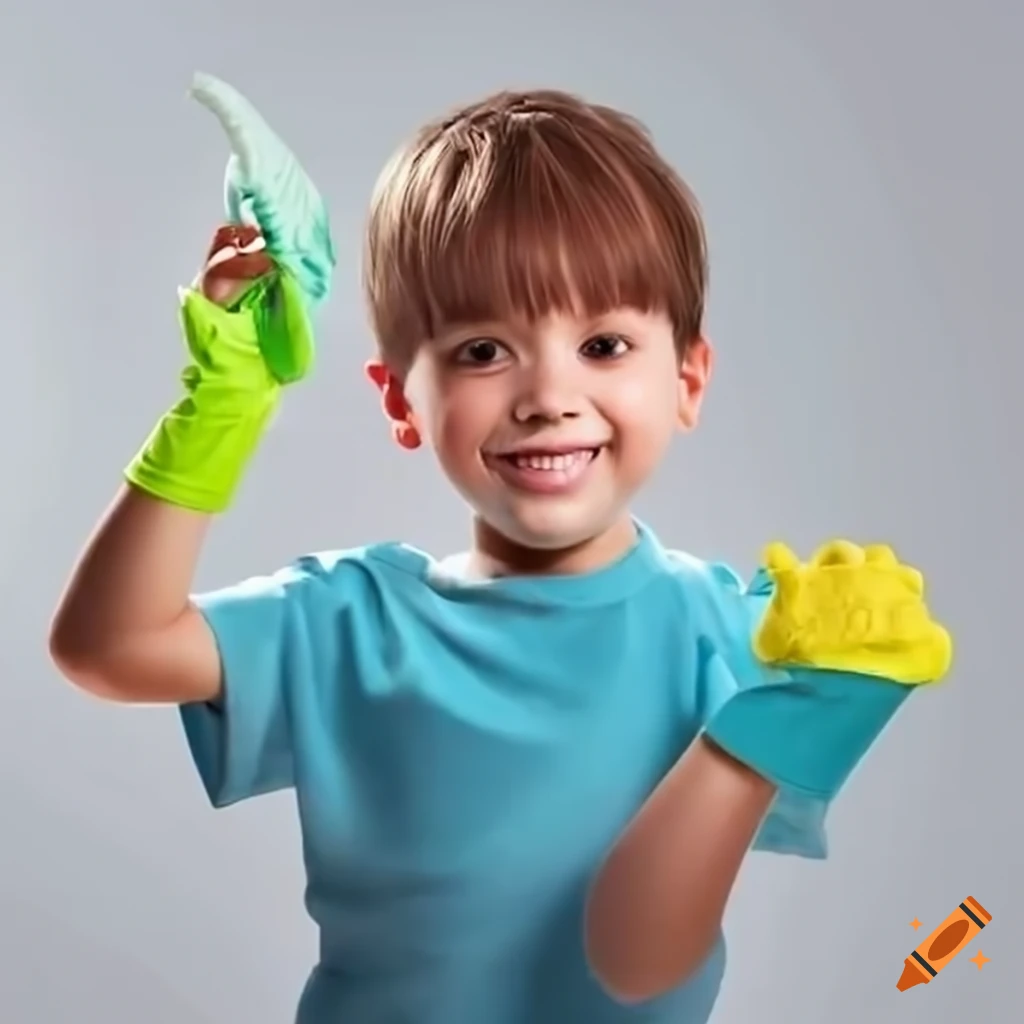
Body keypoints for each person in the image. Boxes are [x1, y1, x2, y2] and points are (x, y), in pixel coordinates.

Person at [48, 75, 951, 1024]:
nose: (547, 395)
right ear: (402, 399)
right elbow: (110, 646)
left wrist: (804, 707)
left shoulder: (743, 635)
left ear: (686, 379)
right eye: (484, 350)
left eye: (603, 344)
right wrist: (222, 402)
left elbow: (636, 963)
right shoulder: (350, 624)